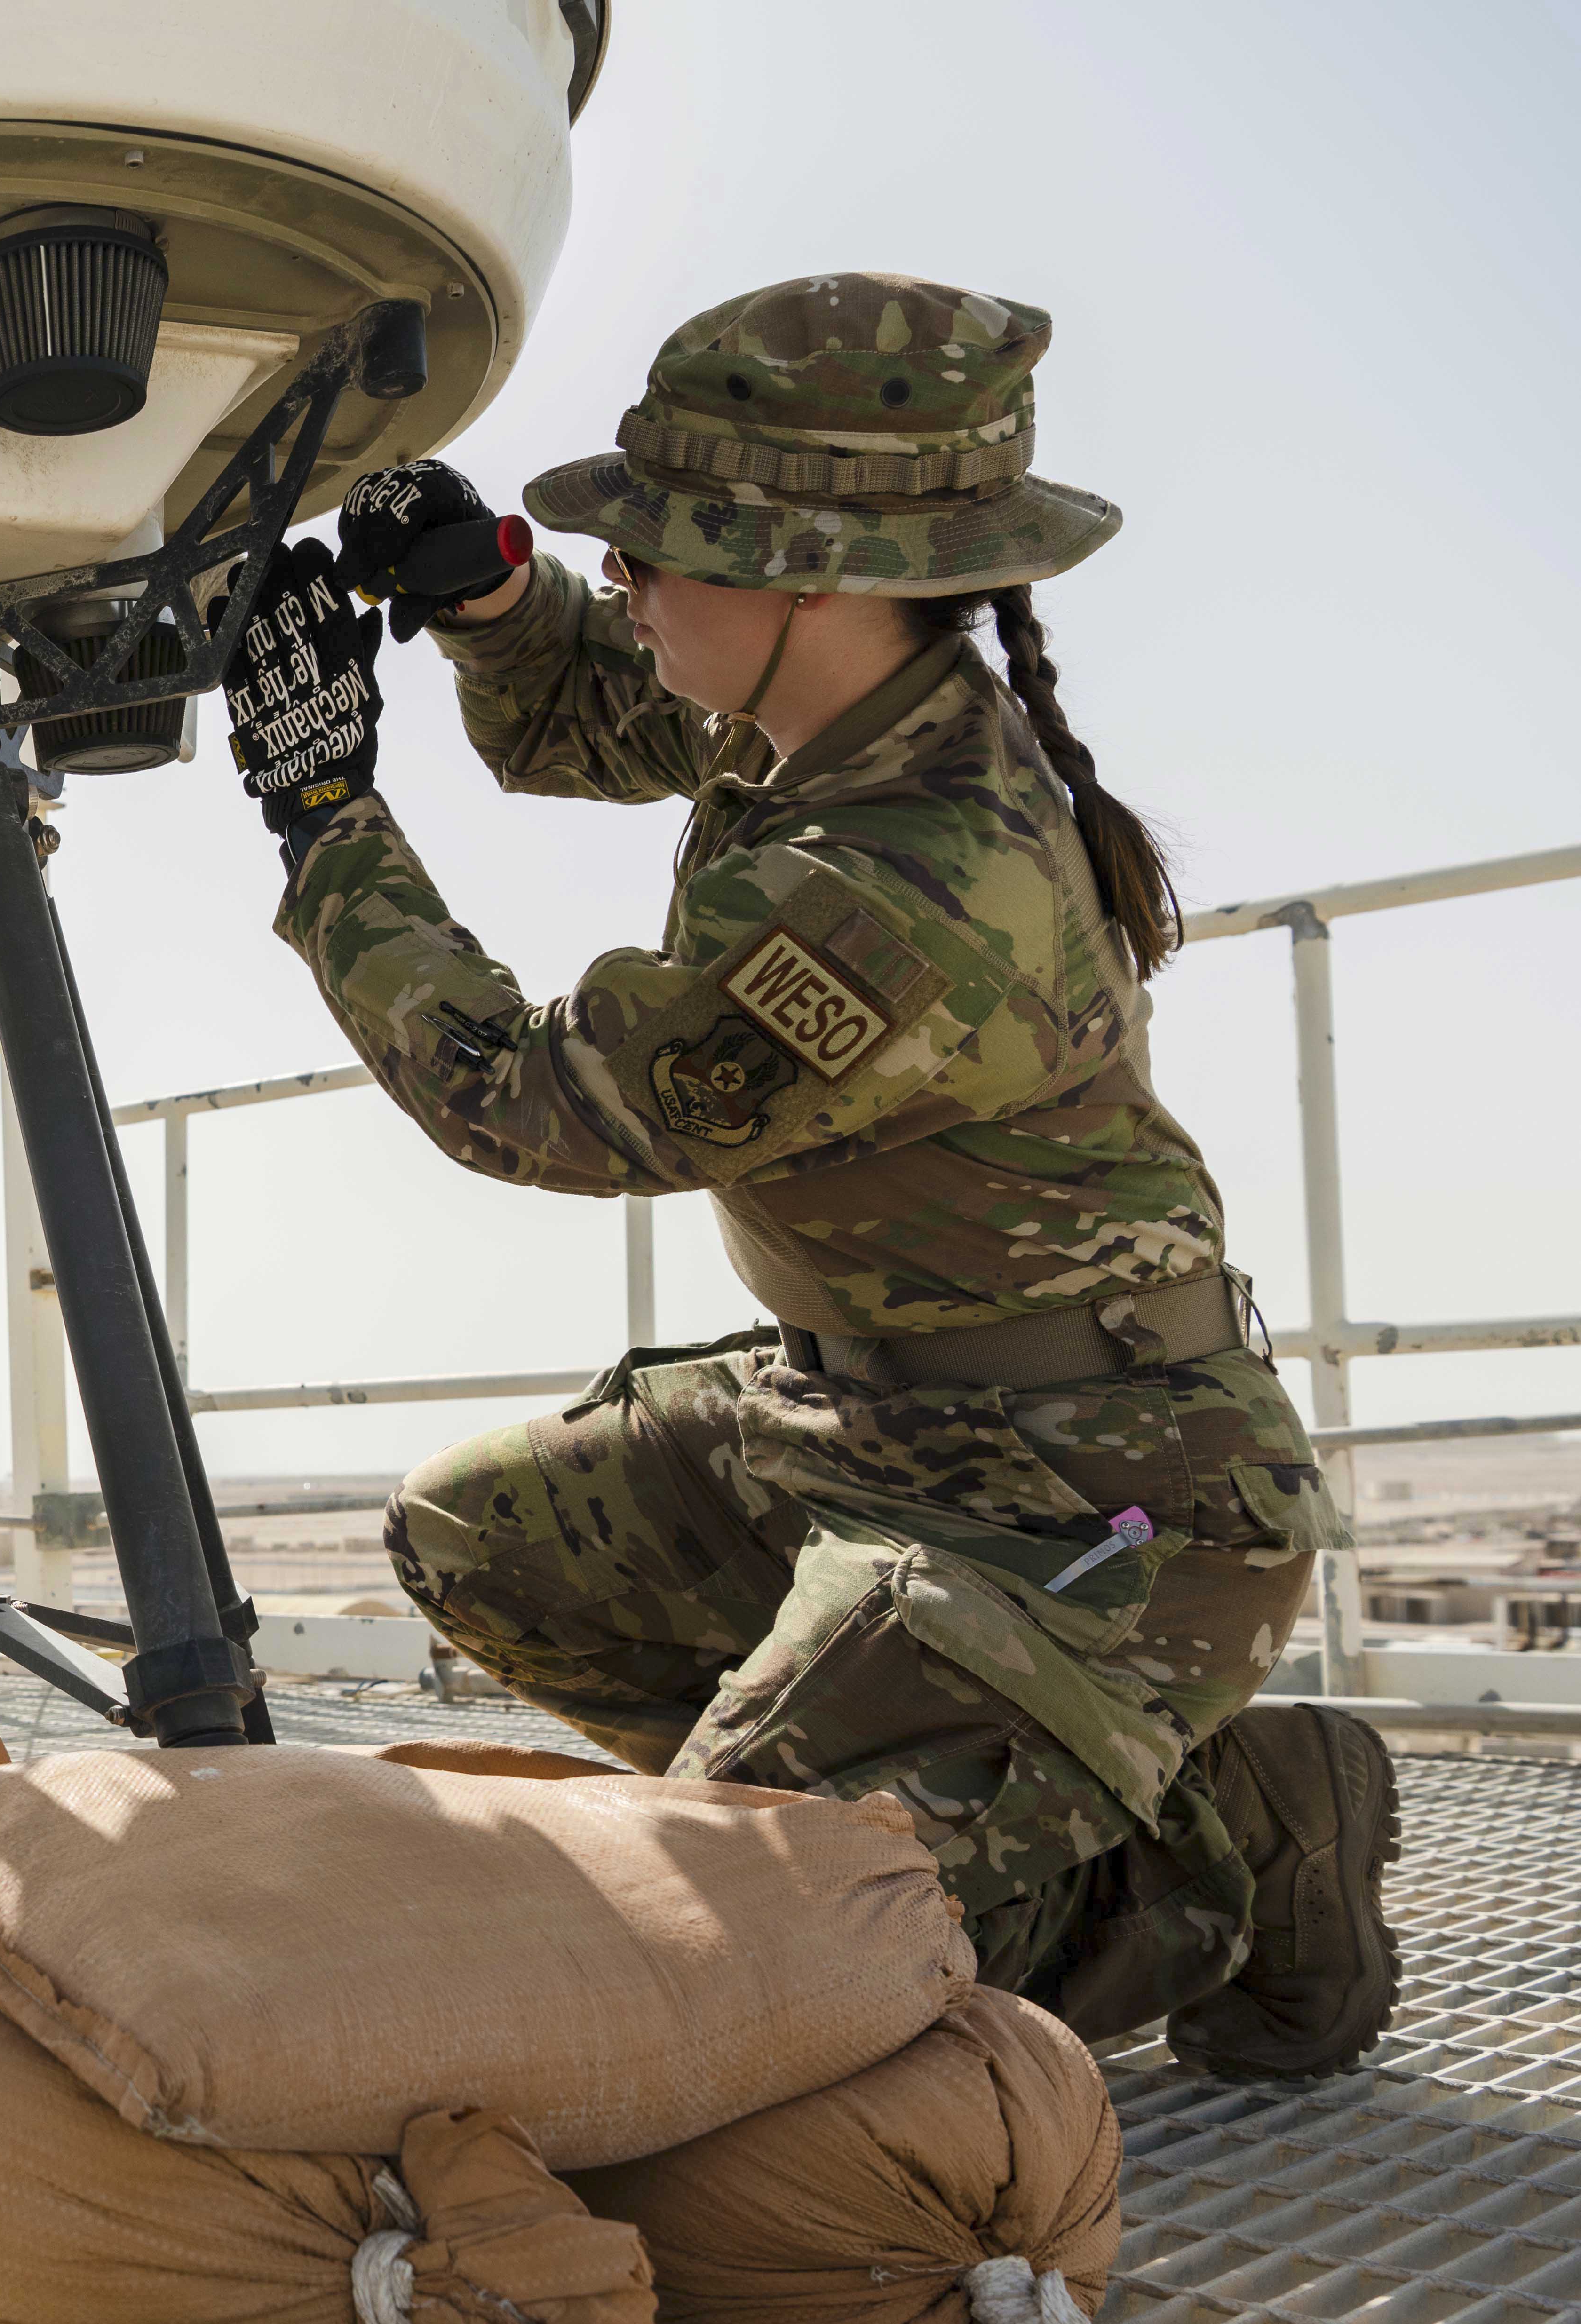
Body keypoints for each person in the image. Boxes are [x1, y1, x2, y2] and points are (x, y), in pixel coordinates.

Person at [238, 273, 1395, 2078]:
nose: (619, 574)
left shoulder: (908, 884)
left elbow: (532, 1104)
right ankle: (896, 1789)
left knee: (769, 1973)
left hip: (1093, 1510)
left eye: (654, 548)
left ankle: (1220, 1854)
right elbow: (601, 712)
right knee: (481, 1535)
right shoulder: (854, 709)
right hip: (872, 1429)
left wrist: (329, 827)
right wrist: (487, 592)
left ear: (811, 578)